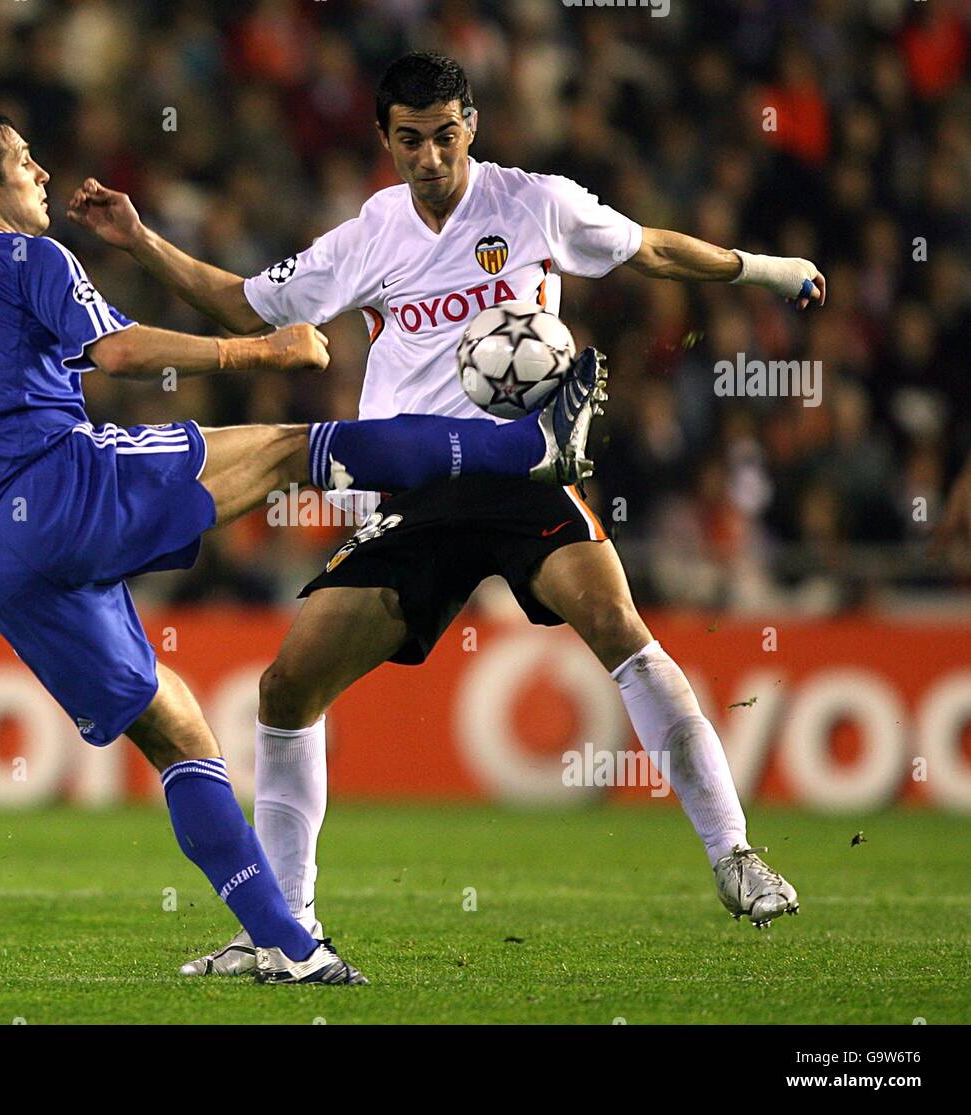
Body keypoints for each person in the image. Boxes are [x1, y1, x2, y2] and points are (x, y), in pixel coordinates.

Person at [67, 52, 819, 975]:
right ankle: (281, 931)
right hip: (414, 489)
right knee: (285, 689)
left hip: (521, 470)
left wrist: (769, 270)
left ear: (473, 125)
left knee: (617, 623)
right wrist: (140, 239)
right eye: (411, 140)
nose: (432, 157)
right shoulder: (369, 234)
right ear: (386, 141)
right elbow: (242, 301)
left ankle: (735, 853)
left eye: (448, 134)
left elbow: (651, 248)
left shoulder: (535, 201)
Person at [0, 111, 604, 985]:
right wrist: (254, 347)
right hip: (61, 486)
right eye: (24, 159)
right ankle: (526, 449)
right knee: (289, 448)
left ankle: (290, 947)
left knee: (175, 729)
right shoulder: (25, 257)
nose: (40, 171)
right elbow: (114, 351)